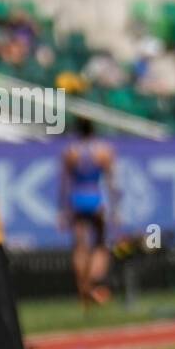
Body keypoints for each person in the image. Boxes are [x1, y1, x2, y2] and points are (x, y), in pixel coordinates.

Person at [58, 118, 117, 307]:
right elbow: (111, 183)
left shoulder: (70, 152)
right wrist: (115, 209)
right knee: (100, 243)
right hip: (95, 197)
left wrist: (63, 209)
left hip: (77, 198)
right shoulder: (104, 151)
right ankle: (93, 282)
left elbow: (64, 184)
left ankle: (82, 290)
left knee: (79, 247)